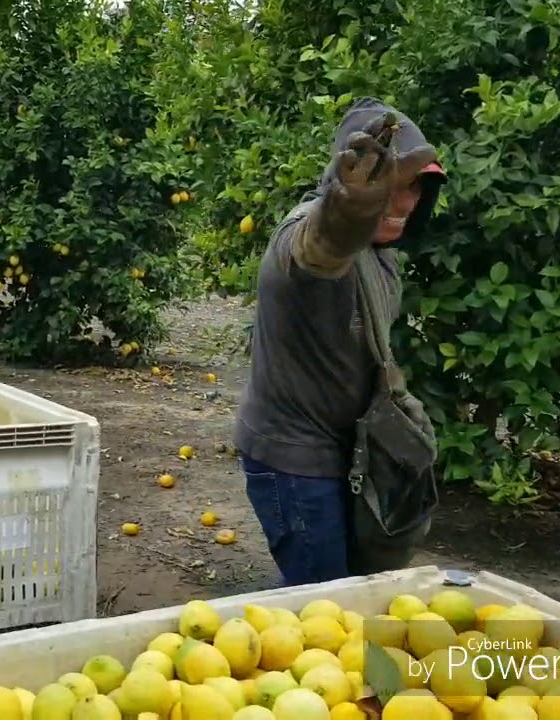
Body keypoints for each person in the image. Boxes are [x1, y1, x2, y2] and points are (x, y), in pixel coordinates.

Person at [234, 97, 446, 587]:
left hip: (348, 454)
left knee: (345, 592)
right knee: (321, 600)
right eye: (394, 186)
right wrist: (347, 214)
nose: (407, 200)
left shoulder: (384, 253)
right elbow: (320, 252)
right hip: (294, 457)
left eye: (419, 186)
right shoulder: (305, 233)